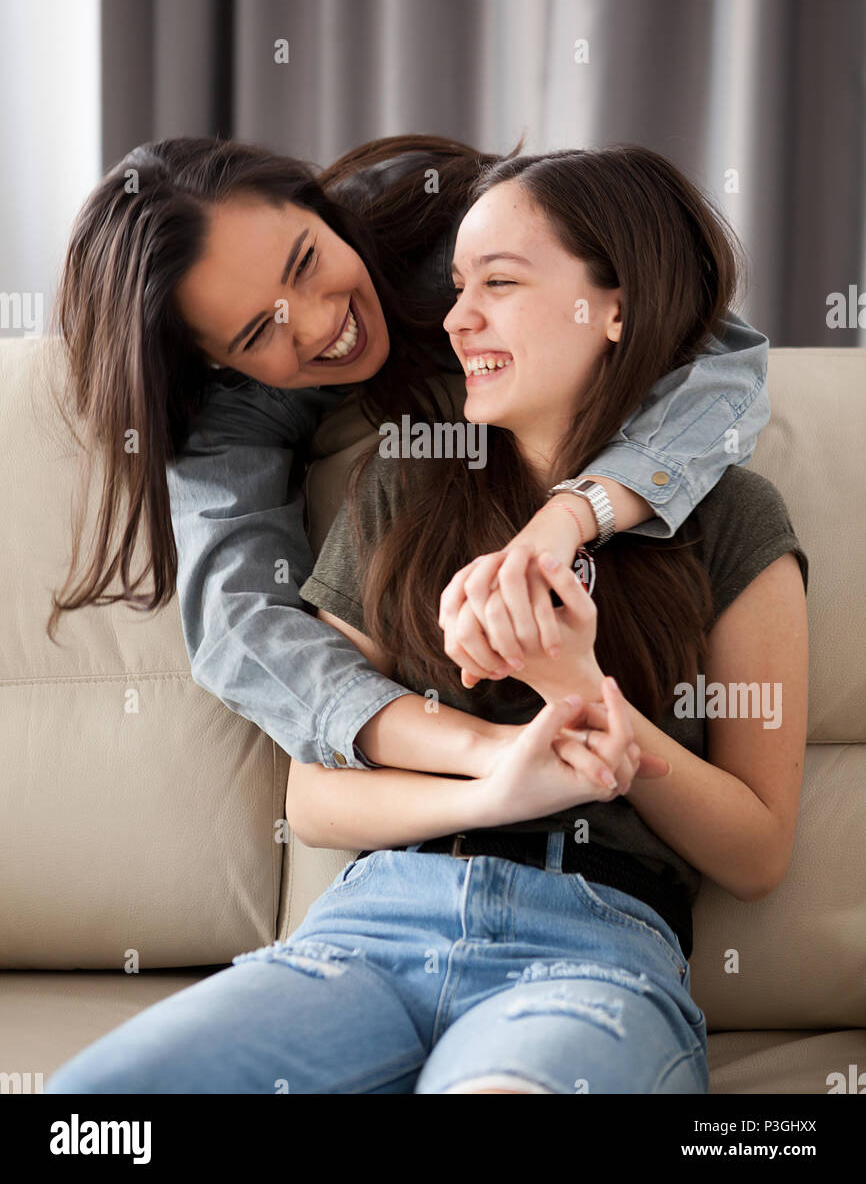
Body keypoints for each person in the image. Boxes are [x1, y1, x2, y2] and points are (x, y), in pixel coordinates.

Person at [45, 144, 808, 1095]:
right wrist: (498, 779)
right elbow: (299, 761)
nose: (453, 320)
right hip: (370, 929)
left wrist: (576, 675)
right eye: (259, 332)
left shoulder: (731, 515)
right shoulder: (407, 484)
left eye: (496, 283)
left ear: (616, 304)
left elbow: (759, 849)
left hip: (591, 947)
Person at [47, 134, 771, 788]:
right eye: (255, 333)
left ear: (320, 209)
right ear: (211, 364)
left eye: (305, 263)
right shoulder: (227, 415)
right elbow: (241, 631)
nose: (319, 321)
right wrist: (487, 754)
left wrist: (565, 520)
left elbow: (719, 354)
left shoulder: (436, 229)